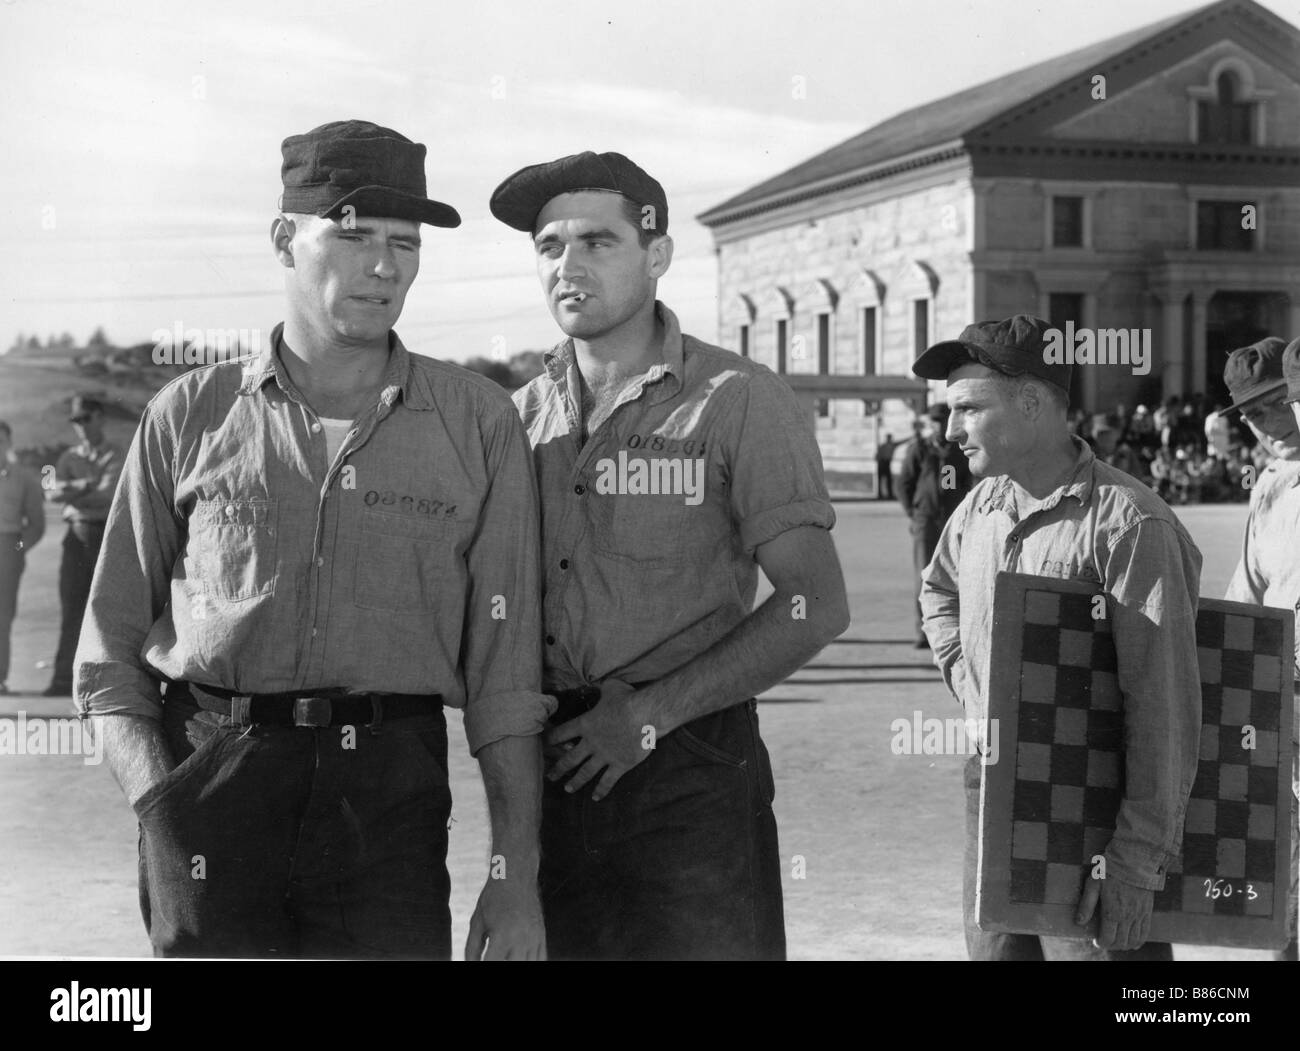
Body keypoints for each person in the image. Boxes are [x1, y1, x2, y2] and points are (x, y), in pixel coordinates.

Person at [75, 120, 552, 960]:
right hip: (212, 775)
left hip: (389, 795)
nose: (383, 265)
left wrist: (515, 874)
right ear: (284, 240)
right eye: (354, 233)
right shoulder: (188, 414)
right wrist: (161, 802)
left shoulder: (479, 424)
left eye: (404, 243)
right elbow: (109, 654)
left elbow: (505, 678)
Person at [492, 150, 849, 960]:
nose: (567, 266)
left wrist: (650, 717)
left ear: (656, 255)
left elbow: (815, 603)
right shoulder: (517, 419)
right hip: (555, 767)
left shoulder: (738, 401)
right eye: (549, 247)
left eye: (596, 242)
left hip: (687, 762)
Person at [916, 314, 1203, 960]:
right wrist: (970, 685)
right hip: (990, 792)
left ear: (1032, 401)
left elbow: (1165, 711)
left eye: (967, 408)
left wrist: (1135, 861)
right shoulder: (978, 508)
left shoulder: (1130, 525)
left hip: (1090, 814)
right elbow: (937, 591)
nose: (951, 431)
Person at [1223, 336, 1300, 961]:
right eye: (1251, 414)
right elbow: (1246, 591)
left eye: (1277, 404)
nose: (1267, 424)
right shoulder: (1270, 485)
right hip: (1283, 699)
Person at [42, 395, 122, 696]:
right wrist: (84, 485)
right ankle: (62, 679)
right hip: (75, 537)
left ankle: (107, 685)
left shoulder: (115, 452)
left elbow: (107, 493)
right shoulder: (67, 456)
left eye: (86, 418)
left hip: (105, 535)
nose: (81, 426)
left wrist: (71, 491)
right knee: (71, 608)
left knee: (106, 611)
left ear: (100, 417)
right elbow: (49, 492)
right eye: (76, 421)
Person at [898, 402, 971, 648]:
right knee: (925, 575)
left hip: (952, 520)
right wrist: (914, 511)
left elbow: (966, 483)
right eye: (935, 421)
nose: (939, 425)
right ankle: (923, 631)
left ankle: (952, 629)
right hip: (926, 520)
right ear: (929, 423)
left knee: (955, 575)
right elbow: (904, 483)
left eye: (943, 420)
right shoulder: (920, 449)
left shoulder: (958, 450)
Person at [0, 421, 45, 695]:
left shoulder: (24, 477)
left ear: (9, 444)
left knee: (2, 617)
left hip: (7, 549)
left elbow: (36, 524)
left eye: (0, 441)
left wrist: (16, 548)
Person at [875, 432, 896, 499]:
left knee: (888, 480)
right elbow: (877, 456)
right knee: (880, 480)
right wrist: (880, 461)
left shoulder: (892, 445)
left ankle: (889, 494)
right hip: (882, 463)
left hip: (887, 463)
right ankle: (880, 494)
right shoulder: (883, 446)